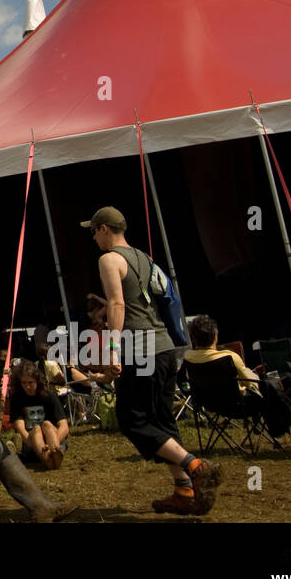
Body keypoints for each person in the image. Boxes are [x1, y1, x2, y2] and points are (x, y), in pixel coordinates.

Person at [84, 206, 221, 515]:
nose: (93, 238)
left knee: (133, 419)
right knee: (161, 420)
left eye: (94, 231)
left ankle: (196, 467)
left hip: (139, 347)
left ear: (104, 228)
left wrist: (113, 349)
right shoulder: (144, 258)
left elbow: (119, 303)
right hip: (165, 347)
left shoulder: (108, 259)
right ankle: (184, 491)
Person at [185, 315, 291, 437]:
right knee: (268, 388)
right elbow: (250, 383)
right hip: (237, 406)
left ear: (193, 338)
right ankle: (280, 428)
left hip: (209, 404)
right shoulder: (229, 356)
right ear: (215, 337)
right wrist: (255, 375)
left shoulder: (188, 358)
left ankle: (271, 426)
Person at [8, 361, 69, 470]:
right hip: (31, 442)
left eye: (30, 382)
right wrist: (34, 445)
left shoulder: (50, 396)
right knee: (36, 429)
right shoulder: (17, 399)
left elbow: (64, 427)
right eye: (24, 383)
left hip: (54, 439)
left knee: (46, 424)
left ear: (37, 381)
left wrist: (52, 447)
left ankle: (53, 455)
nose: (27, 386)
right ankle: (47, 458)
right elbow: (20, 428)